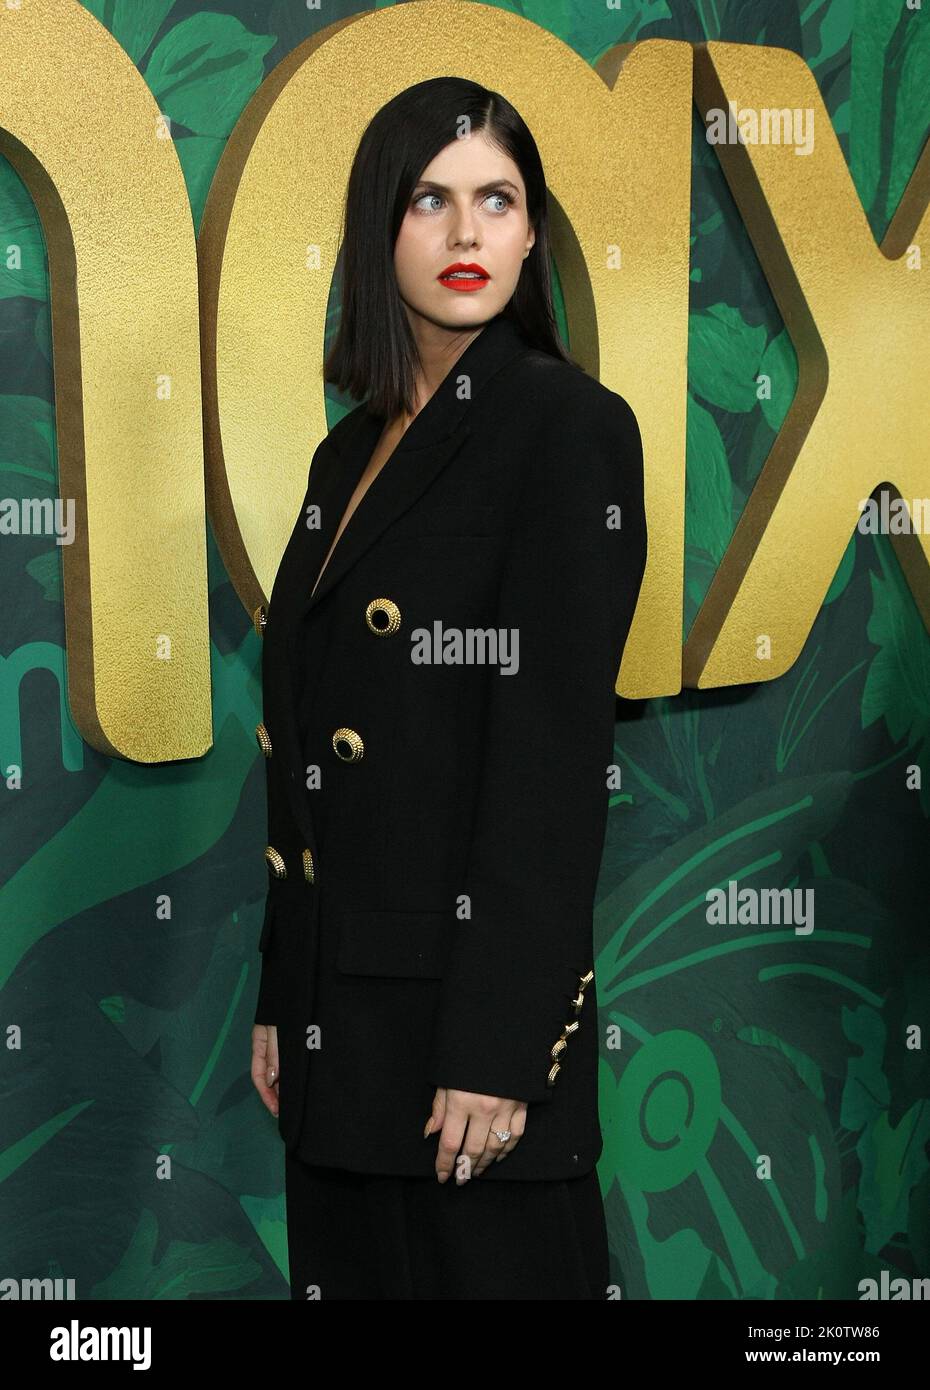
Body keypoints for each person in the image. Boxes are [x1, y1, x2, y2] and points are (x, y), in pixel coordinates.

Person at [249, 76, 648, 1300]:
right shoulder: (346, 448)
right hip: (339, 1037)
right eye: (431, 199)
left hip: (465, 1066)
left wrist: (500, 1051)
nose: (467, 234)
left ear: (533, 235)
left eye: (497, 200)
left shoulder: (567, 428)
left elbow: (549, 763)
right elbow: (306, 759)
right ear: (381, 226)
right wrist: (284, 994)